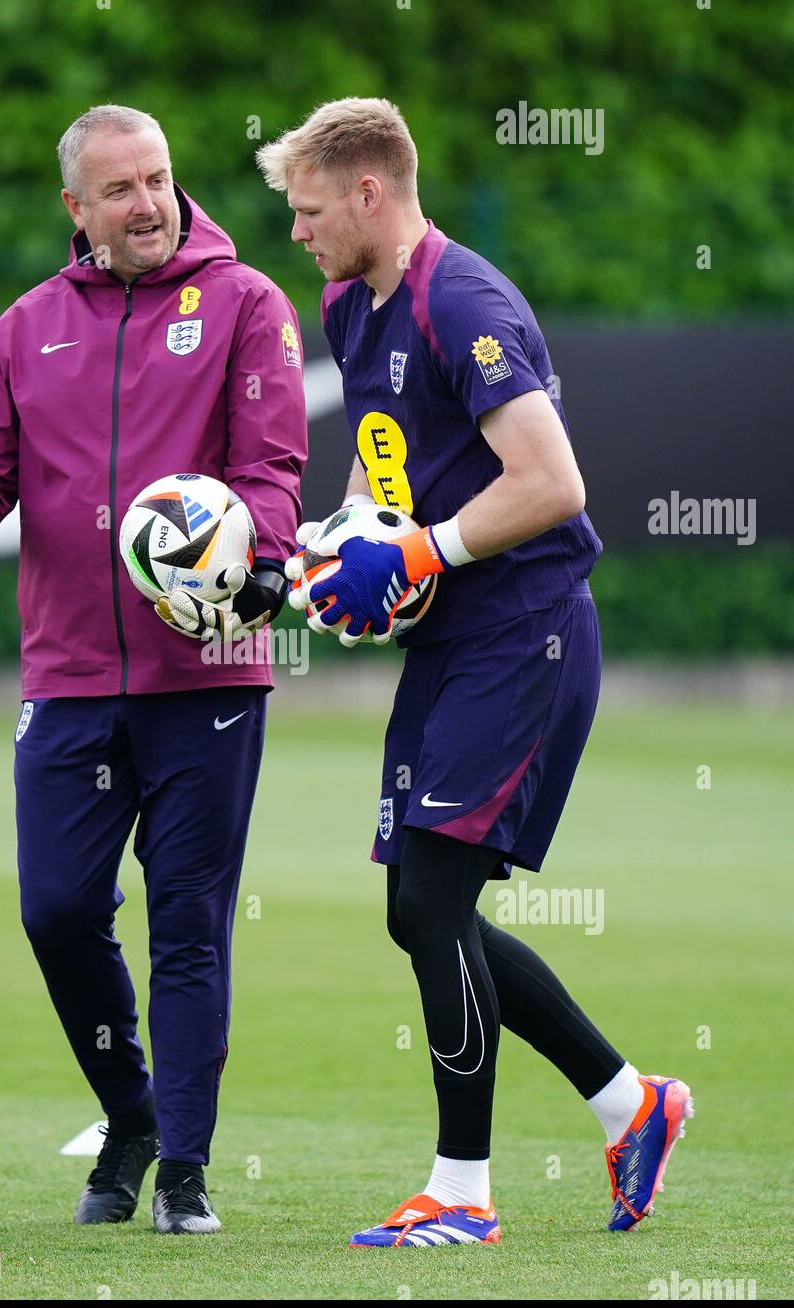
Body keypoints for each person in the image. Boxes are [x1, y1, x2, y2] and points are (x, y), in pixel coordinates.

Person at [257, 98, 691, 1248]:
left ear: (368, 193)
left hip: (526, 630)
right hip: (455, 640)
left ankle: (459, 1194)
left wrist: (419, 549)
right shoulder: (351, 300)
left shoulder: (466, 300)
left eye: (307, 211)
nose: (294, 232)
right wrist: (343, 538)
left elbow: (553, 482)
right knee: (423, 910)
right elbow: (386, 446)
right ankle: (629, 1102)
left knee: (429, 899)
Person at [0, 105, 306, 1235]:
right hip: (70, 673)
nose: (149, 204)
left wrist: (253, 560)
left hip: (214, 674)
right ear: (75, 208)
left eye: (160, 179)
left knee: (189, 921)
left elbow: (273, 467)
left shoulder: (246, 304)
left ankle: (181, 1169)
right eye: (121, 189)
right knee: (55, 908)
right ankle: (128, 1114)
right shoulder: (24, 326)